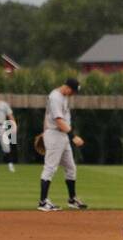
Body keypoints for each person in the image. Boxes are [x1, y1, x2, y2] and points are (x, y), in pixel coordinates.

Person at [38, 77, 88, 211]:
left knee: (71, 167)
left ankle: (72, 199)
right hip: (55, 134)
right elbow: (59, 120)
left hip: (61, 135)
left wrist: (44, 132)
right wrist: (73, 137)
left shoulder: (63, 96)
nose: (73, 94)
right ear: (67, 87)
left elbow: (46, 115)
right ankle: (43, 202)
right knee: (50, 168)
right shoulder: (55, 97)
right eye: (73, 91)